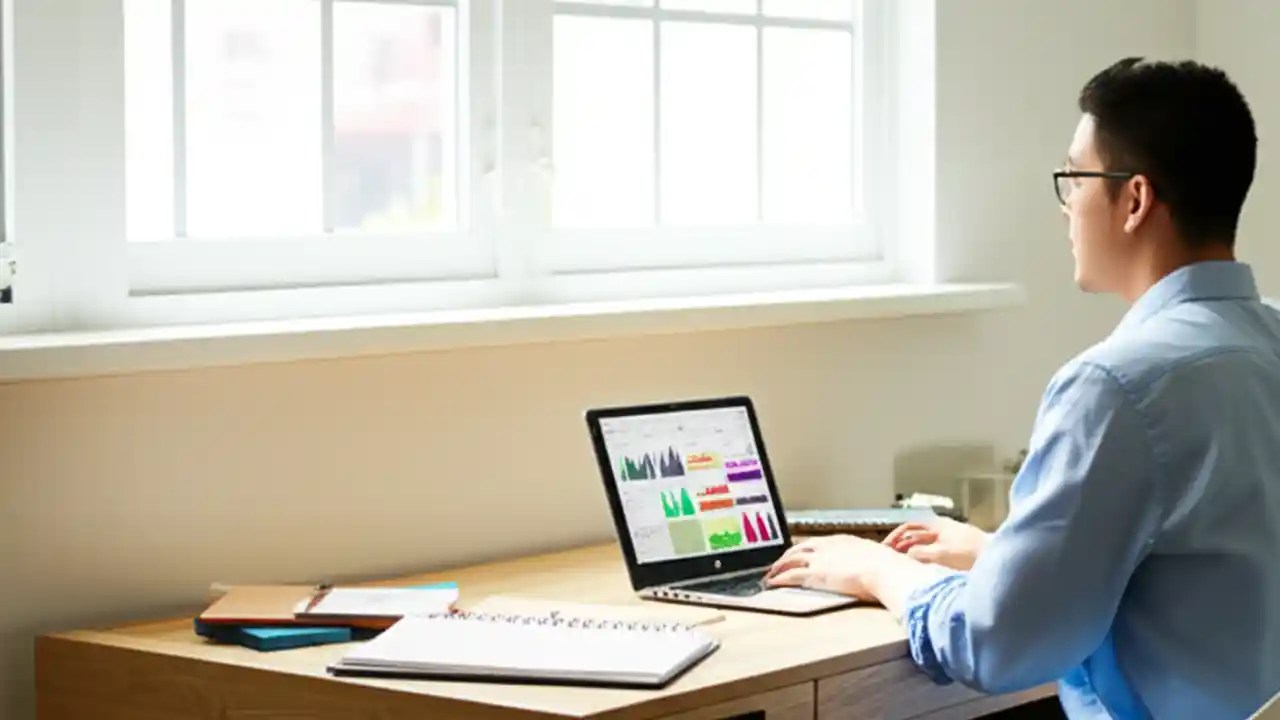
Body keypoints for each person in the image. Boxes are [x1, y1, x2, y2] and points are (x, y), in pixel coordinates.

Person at [765, 57, 1280, 720]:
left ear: (1134, 201)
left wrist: (877, 571)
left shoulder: (1116, 388)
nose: (1066, 209)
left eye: (1075, 179)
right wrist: (998, 558)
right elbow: (1210, 581)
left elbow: (996, 646)